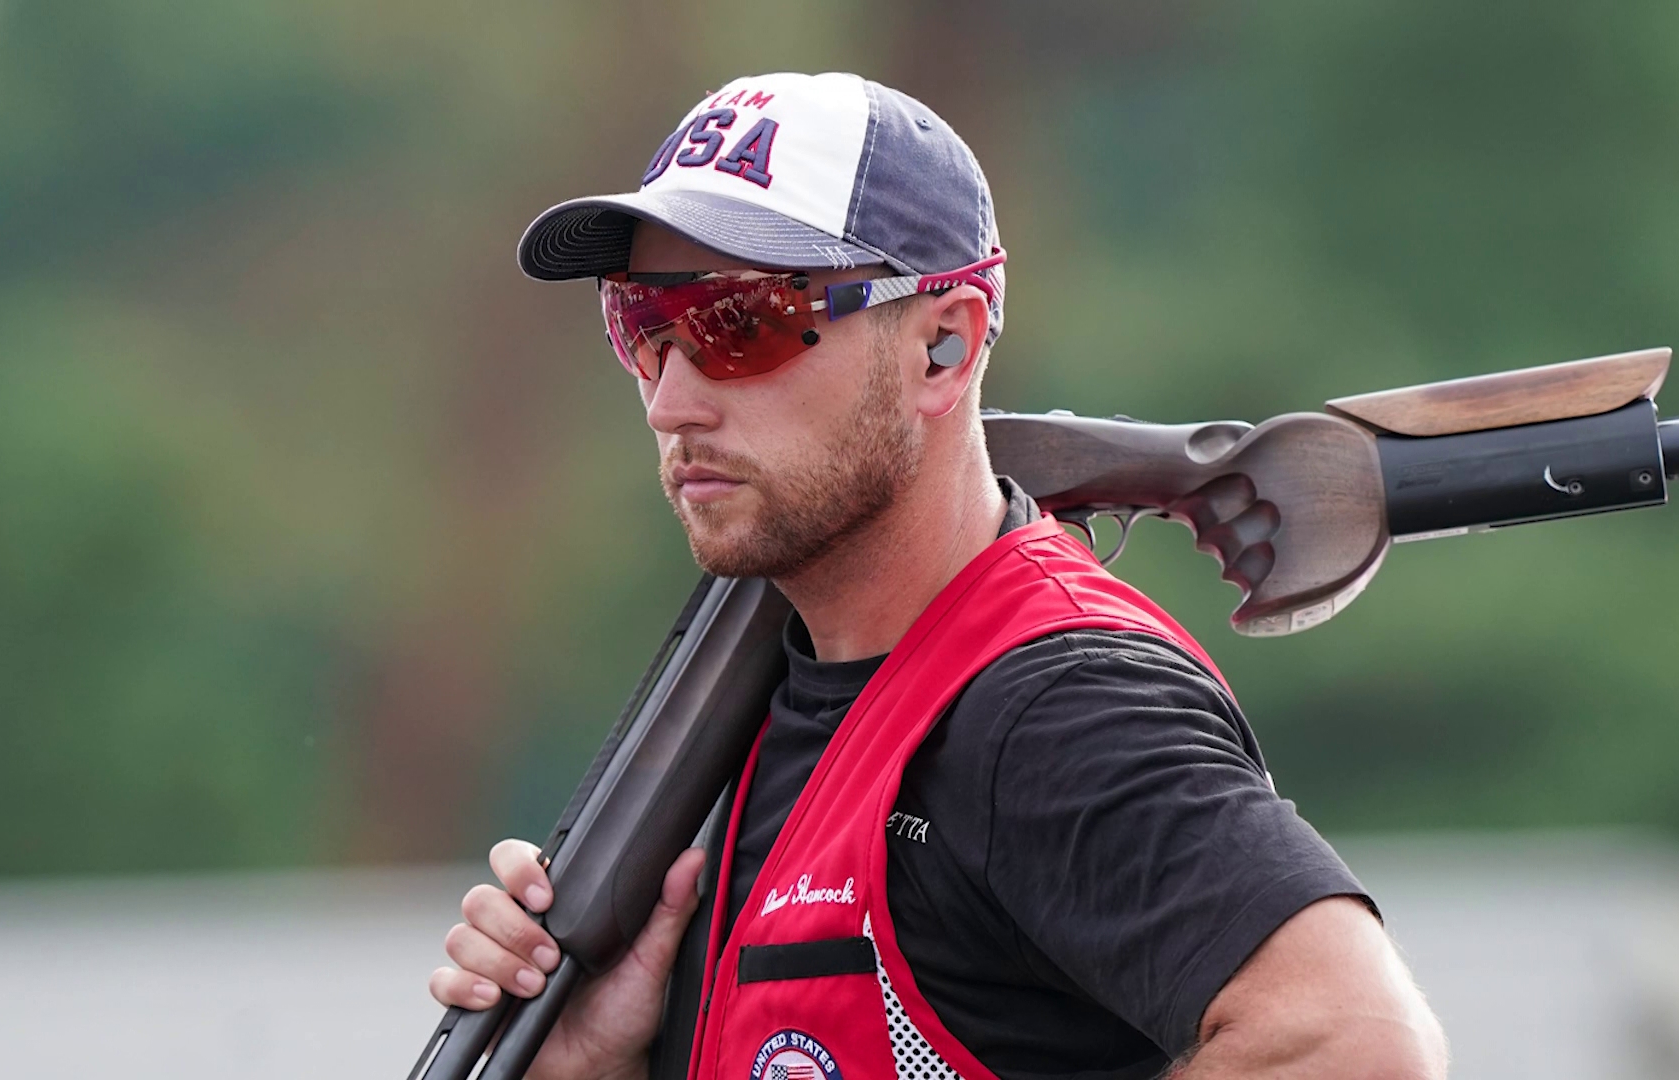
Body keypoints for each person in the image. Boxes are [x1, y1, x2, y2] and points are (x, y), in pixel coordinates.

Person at [430, 71, 1447, 1080]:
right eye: (645, 328)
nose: (671, 402)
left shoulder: (1058, 706)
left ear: (944, 349)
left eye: (739, 323)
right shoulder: (742, 722)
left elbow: (1357, 1047)